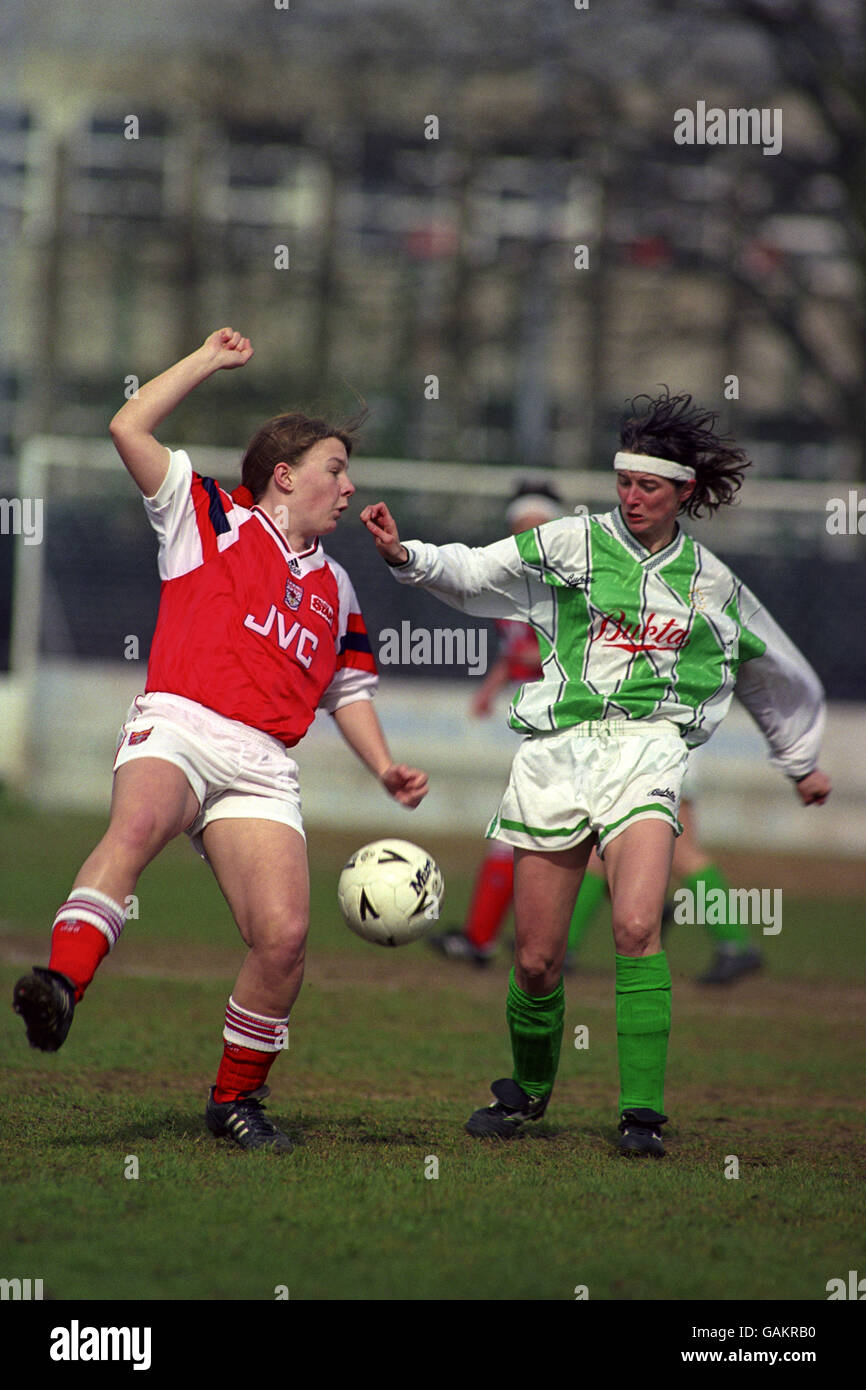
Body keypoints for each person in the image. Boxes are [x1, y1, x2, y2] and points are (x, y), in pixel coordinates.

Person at [361, 389, 830, 1157]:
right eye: (624, 482)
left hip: (648, 753)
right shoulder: (572, 543)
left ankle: (641, 1115)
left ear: (684, 491)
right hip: (556, 756)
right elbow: (478, 573)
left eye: (650, 486)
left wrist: (800, 760)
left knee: (637, 925)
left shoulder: (711, 584)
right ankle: (529, 1093)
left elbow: (766, 665)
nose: (633, 497)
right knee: (538, 959)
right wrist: (406, 556)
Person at [12, 326, 428, 1153]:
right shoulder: (207, 514)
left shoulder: (338, 585)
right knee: (134, 832)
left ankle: (235, 1100)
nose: (348, 488)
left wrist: (383, 764)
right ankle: (60, 985)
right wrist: (207, 360)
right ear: (285, 475)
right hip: (181, 721)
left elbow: (348, 688)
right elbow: (128, 428)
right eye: (335, 469)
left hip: (265, 767)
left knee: (283, 940)